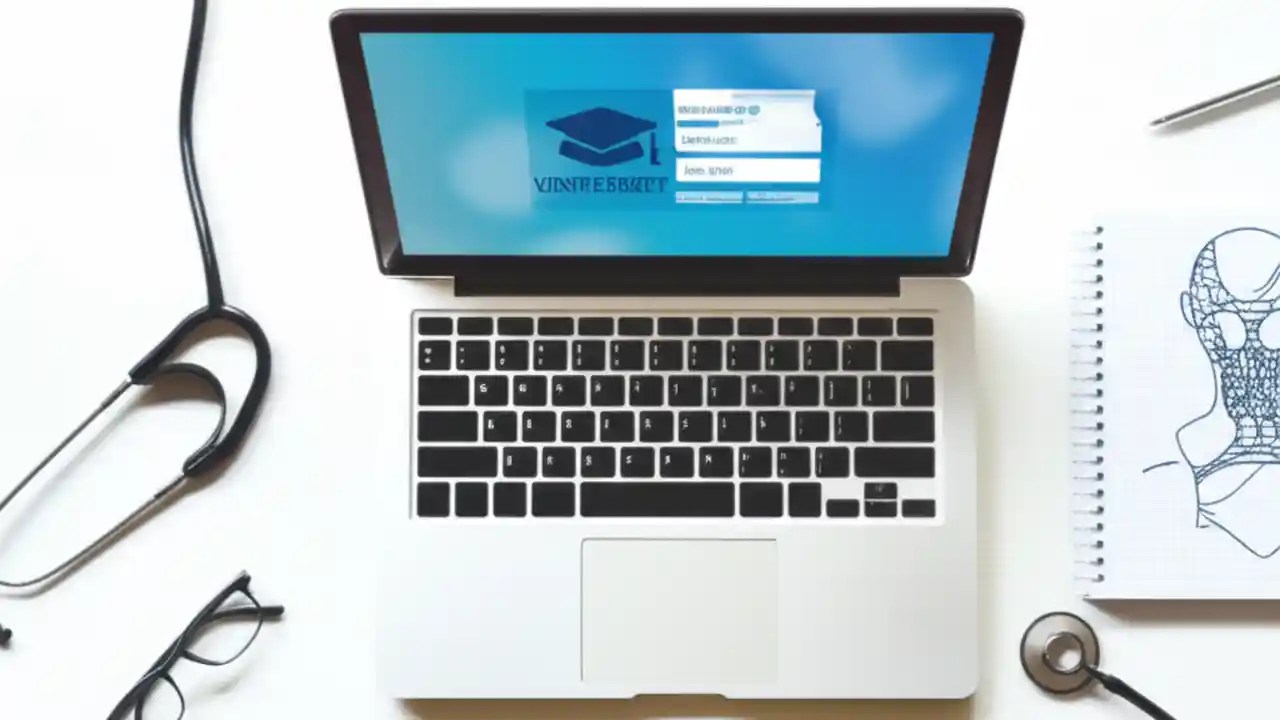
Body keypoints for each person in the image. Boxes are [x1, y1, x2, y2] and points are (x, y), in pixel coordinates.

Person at [1144, 227, 1280, 558]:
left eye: (1275, 319)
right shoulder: (1170, 465)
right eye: (1228, 319)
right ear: (1193, 313)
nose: (1254, 346)